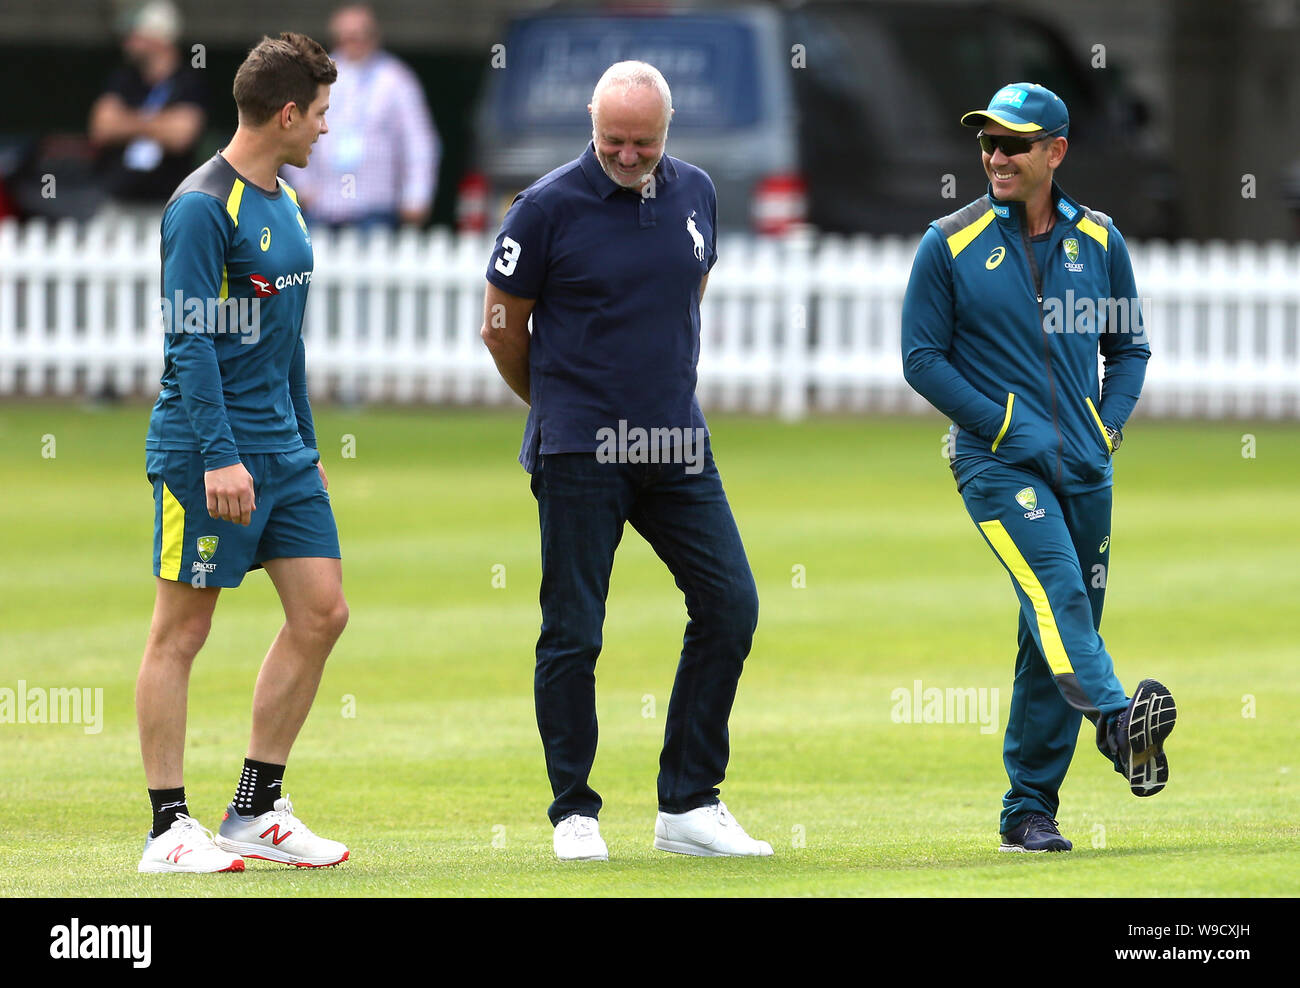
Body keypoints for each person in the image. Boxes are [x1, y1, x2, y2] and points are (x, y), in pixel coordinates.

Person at [480, 61, 771, 861]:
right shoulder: (542, 210)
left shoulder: (697, 191)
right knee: (574, 632)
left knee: (731, 606)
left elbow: (690, 288)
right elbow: (502, 328)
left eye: (644, 141)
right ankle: (574, 810)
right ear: (592, 123)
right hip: (579, 447)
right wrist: (559, 403)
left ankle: (688, 803)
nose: (629, 154)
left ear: (667, 132)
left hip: (676, 441)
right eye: (614, 140)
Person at [901, 83, 1177, 853]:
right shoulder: (947, 243)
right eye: (988, 142)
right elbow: (921, 360)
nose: (996, 155)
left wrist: (1106, 427)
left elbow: (1129, 350)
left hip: (1086, 466)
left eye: (1014, 143)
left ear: (1055, 151)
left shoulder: (1100, 241)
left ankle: (1028, 813)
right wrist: (1006, 424)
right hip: (994, 467)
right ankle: (1121, 723)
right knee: (1059, 594)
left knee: (1052, 628)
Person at [137, 32, 349, 873]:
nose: (325, 132)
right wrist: (222, 455)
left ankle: (254, 811)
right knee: (181, 632)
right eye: (322, 114)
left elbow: (287, 341)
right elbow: (189, 342)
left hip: (282, 454)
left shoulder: (285, 202)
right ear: (288, 112)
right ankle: (166, 830)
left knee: (322, 613)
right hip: (205, 452)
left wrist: (303, 442)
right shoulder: (199, 207)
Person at [279, 3, 438, 231]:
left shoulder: (397, 79)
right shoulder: (314, 77)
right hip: (322, 207)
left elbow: (418, 142)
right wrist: (303, 188)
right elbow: (292, 131)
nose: (353, 43)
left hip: (375, 209)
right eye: (345, 37)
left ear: (374, 37)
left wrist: (417, 196)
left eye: (359, 36)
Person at [89, 1, 207, 209]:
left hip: (168, 201)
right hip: (117, 196)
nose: (128, 41)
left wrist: (126, 121)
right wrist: (160, 123)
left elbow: (181, 135)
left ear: (157, 37)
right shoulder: (123, 79)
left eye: (136, 35)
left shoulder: (188, 82)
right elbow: (102, 127)